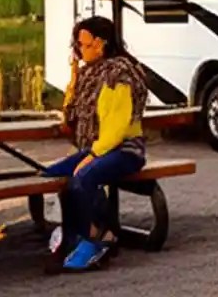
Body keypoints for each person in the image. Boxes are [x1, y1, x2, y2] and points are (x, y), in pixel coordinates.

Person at [42, 15, 149, 272]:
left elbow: (117, 127)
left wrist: (94, 155)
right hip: (99, 148)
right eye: (78, 44)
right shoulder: (90, 74)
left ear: (100, 43)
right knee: (52, 173)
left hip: (125, 149)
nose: (79, 49)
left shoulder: (118, 75)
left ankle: (92, 238)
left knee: (84, 175)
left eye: (84, 44)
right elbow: (69, 114)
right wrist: (74, 75)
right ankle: (90, 233)